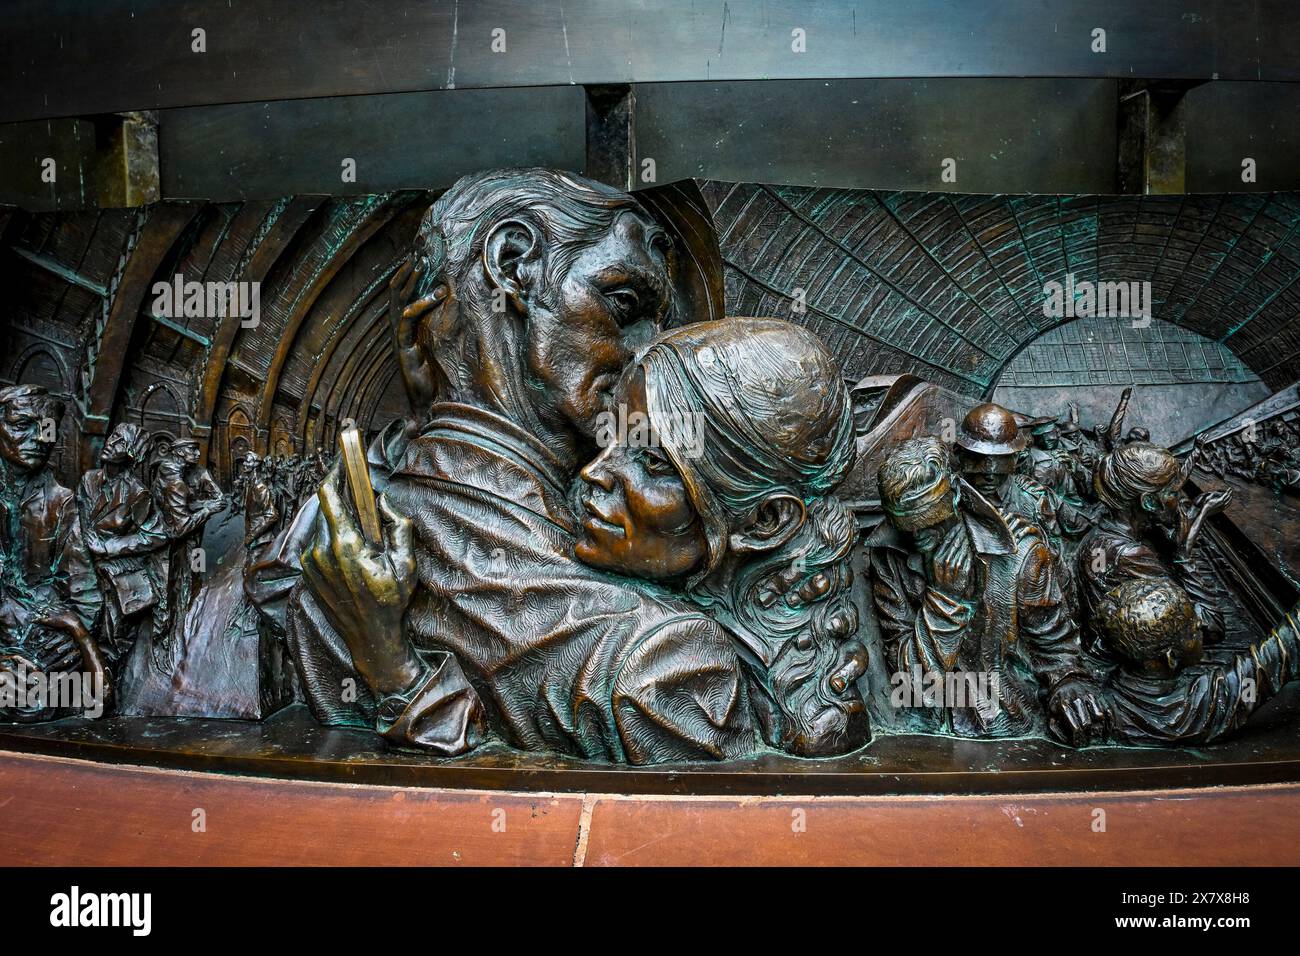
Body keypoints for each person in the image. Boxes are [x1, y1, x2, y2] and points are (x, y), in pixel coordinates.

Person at [284, 168, 757, 764]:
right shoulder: (663, 664)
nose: (647, 352)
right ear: (513, 264)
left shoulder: (341, 556)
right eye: (625, 303)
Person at [573, 318, 870, 757]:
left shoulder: (681, 679)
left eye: (654, 463)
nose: (593, 472)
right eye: (614, 438)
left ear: (764, 522)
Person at [866, 436, 1108, 744]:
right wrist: (946, 601)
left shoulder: (1021, 553)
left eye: (930, 523)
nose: (919, 539)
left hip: (1004, 722)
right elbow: (910, 682)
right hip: (923, 730)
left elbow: (1057, 649)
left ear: (954, 495)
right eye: (907, 527)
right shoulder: (889, 555)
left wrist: (1070, 683)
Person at [0, 385, 107, 719]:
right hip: (12, 635)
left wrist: (72, 639)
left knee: (42, 698)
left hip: (47, 637)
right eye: (21, 425)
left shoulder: (60, 501)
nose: (38, 438)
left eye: (45, 429)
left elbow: (84, 587)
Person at [1095, 577, 1300, 745]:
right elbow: (1278, 654)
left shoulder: (1100, 706)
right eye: (1192, 630)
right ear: (1171, 658)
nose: (1201, 624)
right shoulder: (1207, 703)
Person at [1077, 440, 1230, 648]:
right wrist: (1184, 555)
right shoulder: (1130, 555)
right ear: (1148, 502)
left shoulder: (1101, 537)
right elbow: (1211, 627)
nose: (1179, 500)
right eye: (1174, 493)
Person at [77, 422, 168, 667]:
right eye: (112, 437)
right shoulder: (88, 480)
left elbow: (155, 535)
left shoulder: (137, 493)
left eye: (119, 441)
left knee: (111, 632)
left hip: (113, 571)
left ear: (130, 454)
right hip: (80, 562)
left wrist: (111, 546)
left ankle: (108, 668)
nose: (109, 443)